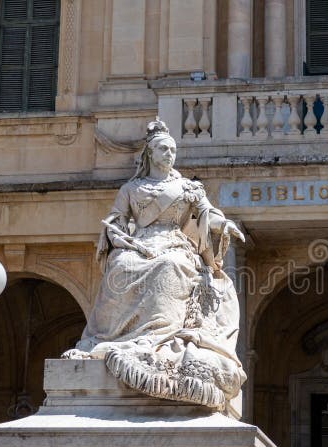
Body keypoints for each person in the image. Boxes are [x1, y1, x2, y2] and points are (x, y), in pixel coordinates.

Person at [63, 118, 246, 410]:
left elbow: (207, 214)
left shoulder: (189, 188)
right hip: (140, 242)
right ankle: (114, 337)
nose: (169, 154)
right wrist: (116, 233)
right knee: (121, 265)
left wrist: (225, 225)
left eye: (172, 150)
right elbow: (117, 219)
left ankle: (158, 338)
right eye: (163, 149)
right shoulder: (131, 189)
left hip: (174, 243)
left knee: (170, 266)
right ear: (150, 154)